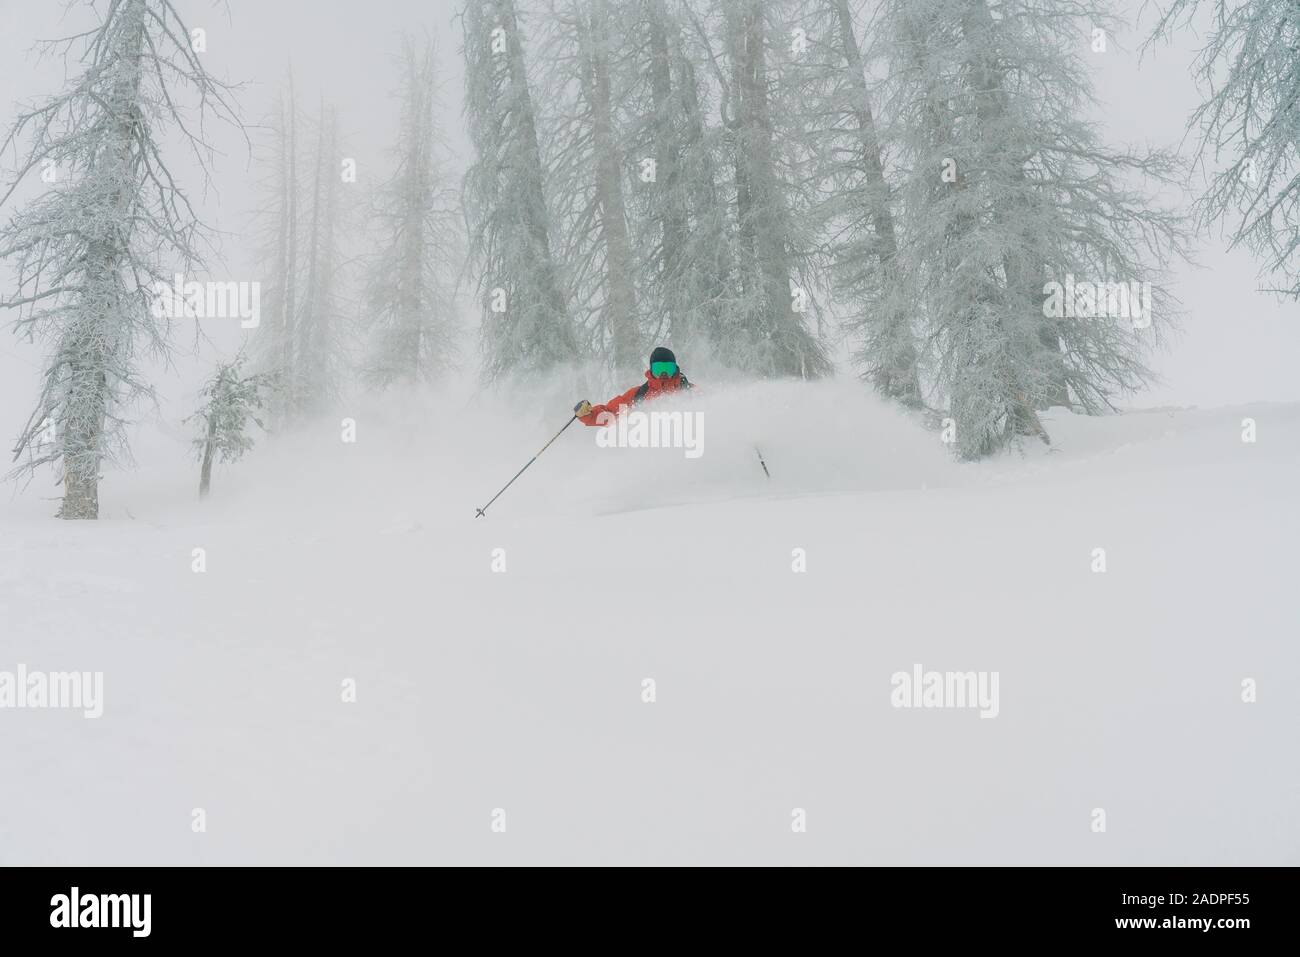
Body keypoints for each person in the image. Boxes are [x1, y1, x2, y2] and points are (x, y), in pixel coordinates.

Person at [574, 346, 693, 426]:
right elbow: (610, 413)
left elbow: (709, 411)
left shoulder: (689, 391)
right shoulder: (638, 395)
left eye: (668, 369)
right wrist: (587, 414)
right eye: (659, 369)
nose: (663, 374)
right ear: (651, 370)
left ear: (675, 369)